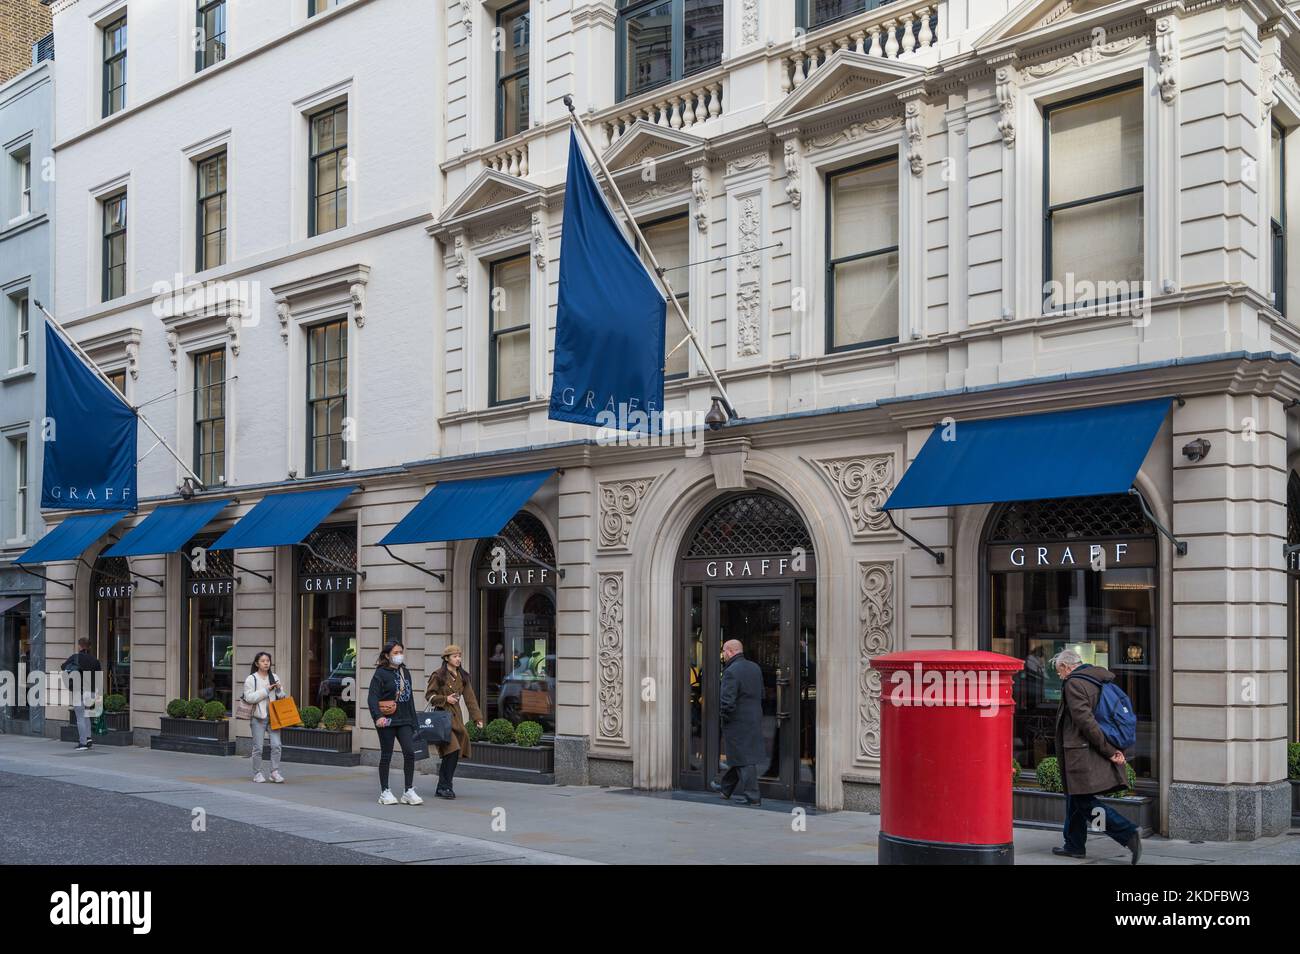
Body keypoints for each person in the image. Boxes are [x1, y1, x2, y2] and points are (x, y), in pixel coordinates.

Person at [1050, 649, 1141, 864]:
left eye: (1059, 671)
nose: (1059, 676)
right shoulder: (1097, 679)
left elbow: (1087, 723)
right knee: (1075, 797)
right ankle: (1074, 844)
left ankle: (1127, 833)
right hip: (1086, 751)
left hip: (1081, 754)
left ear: (1066, 667)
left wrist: (1109, 752)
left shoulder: (1074, 683)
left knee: (1084, 802)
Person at [709, 639, 764, 806]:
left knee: (744, 758)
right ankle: (725, 789)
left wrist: (723, 718)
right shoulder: (755, 668)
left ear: (730, 651)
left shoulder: (731, 671)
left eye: (724, 652)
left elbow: (727, 700)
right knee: (739, 755)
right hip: (753, 718)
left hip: (737, 720)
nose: (723, 655)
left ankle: (753, 797)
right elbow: (761, 693)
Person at [425, 644, 483, 799]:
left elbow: (470, 698)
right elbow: (429, 696)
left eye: (459, 656)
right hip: (442, 717)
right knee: (451, 750)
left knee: (453, 752)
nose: (458, 659)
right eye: (455, 656)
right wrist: (445, 699)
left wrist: (477, 718)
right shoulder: (438, 675)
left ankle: (443, 786)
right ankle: (445, 786)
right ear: (446, 658)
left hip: (456, 718)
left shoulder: (463, 676)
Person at [368, 641, 422, 806]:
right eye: (396, 652)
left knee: (410, 753)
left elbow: (410, 698)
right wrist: (377, 717)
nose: (399, 655)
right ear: (387, 655)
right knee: (387, 755)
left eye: (401, 652)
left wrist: (415, 722)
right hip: (387, 720)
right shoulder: (380, 674)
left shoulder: (405, 672)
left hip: (404, 719)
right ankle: (385, 791)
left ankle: (408, 791)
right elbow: (372, 697)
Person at [242, 652, 286, 784]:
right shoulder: (251, 679)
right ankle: (257, 773)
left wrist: (278, 690)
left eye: (268, 661)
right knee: (258, 748)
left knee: (277, 745)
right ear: (257, 664)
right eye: (263, 661)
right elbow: (249, 698)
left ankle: (274, 772)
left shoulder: (274, 677)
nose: (266, 663)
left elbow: (282, 696)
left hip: (274, 717)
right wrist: (266, 690)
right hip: (258, 717)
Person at [61, 637, 102, 752]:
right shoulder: (95, 660)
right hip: (92, 692)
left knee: (80, 718)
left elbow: (63, 667)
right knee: (87, 714)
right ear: (89, 647)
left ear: (79, 646)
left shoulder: (75, 657)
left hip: (80, 691)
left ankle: (83, 742)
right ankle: (88, 739)